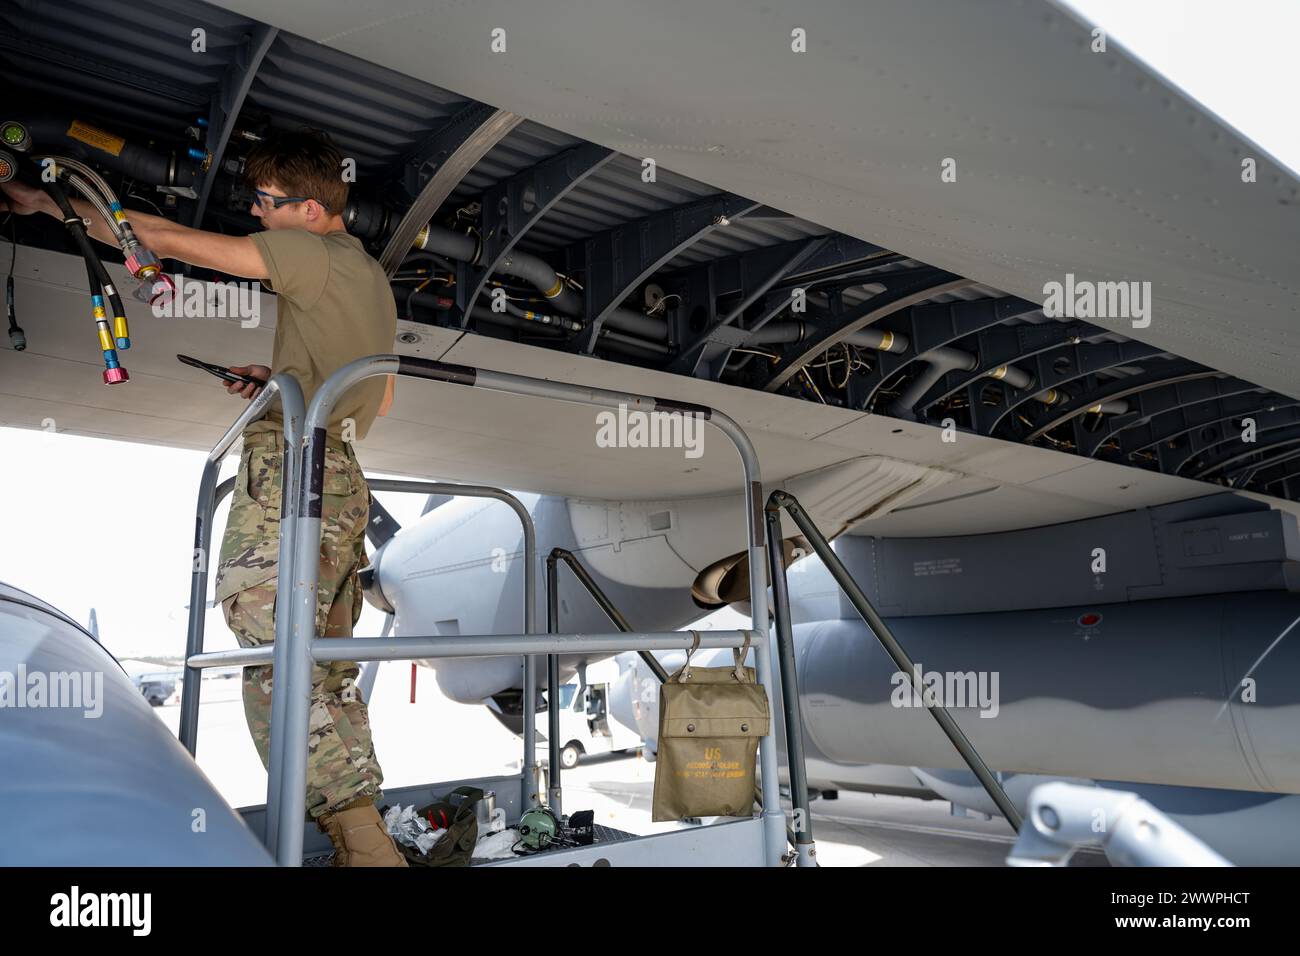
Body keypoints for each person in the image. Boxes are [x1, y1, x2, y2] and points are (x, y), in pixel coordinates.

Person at [2, 127, 404, 866]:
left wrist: (41, 201)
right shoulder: (366, 274)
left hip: (299, 466)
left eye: (268, 202)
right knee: (322, 665)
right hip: (343, 473)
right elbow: (376, 399)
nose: (257, 213)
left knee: (272, 646)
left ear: (312, 210)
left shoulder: (308, 253)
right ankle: (367, 836)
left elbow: (159, 237)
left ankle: (364, 845)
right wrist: (277, 380)